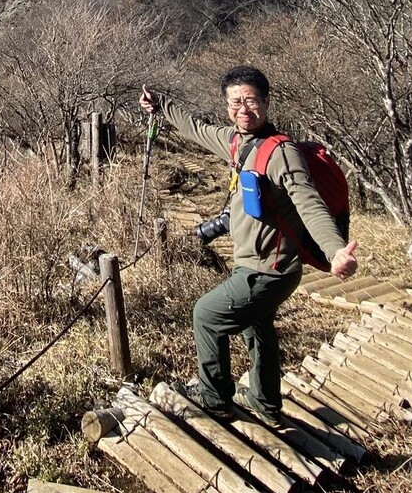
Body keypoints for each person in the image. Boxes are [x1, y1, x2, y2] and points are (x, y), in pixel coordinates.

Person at [140, 65, 358, 426]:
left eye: (251, 100)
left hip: (269, 269)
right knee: (258, 329)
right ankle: (267, 406)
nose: (243, 109)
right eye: (235, 102)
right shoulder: (236, 141)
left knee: (206, 315)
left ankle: (214, 398)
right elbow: (196, 129)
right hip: (255, 264)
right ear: (227, 105)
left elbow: (308, 202)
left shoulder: (280, 153)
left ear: (267, 102)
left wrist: (335, 250)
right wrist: (161, 106)